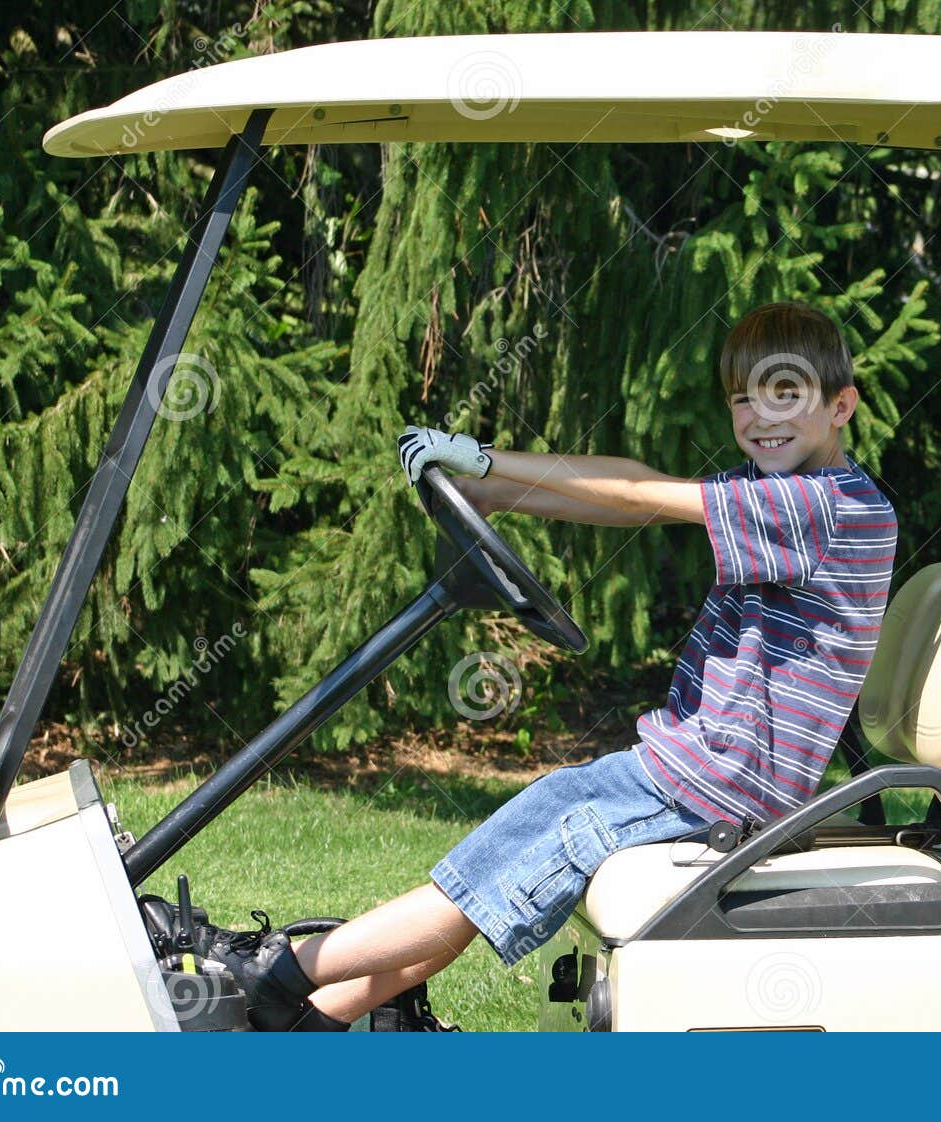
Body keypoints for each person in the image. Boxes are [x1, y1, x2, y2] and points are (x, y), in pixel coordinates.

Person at [215, 301, 898, 1030]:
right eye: (743, 399)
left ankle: (280, 971)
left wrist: (488, 462)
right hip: (709, 770)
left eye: (787, 396)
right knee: (499, 867)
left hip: (712, 782)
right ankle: (312, 1019)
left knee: (498, 863)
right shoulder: (801, 493)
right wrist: (489, 489)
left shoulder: (818, 507)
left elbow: (637, 494)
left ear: (841, 405)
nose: (763, 416)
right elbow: (632, 491)